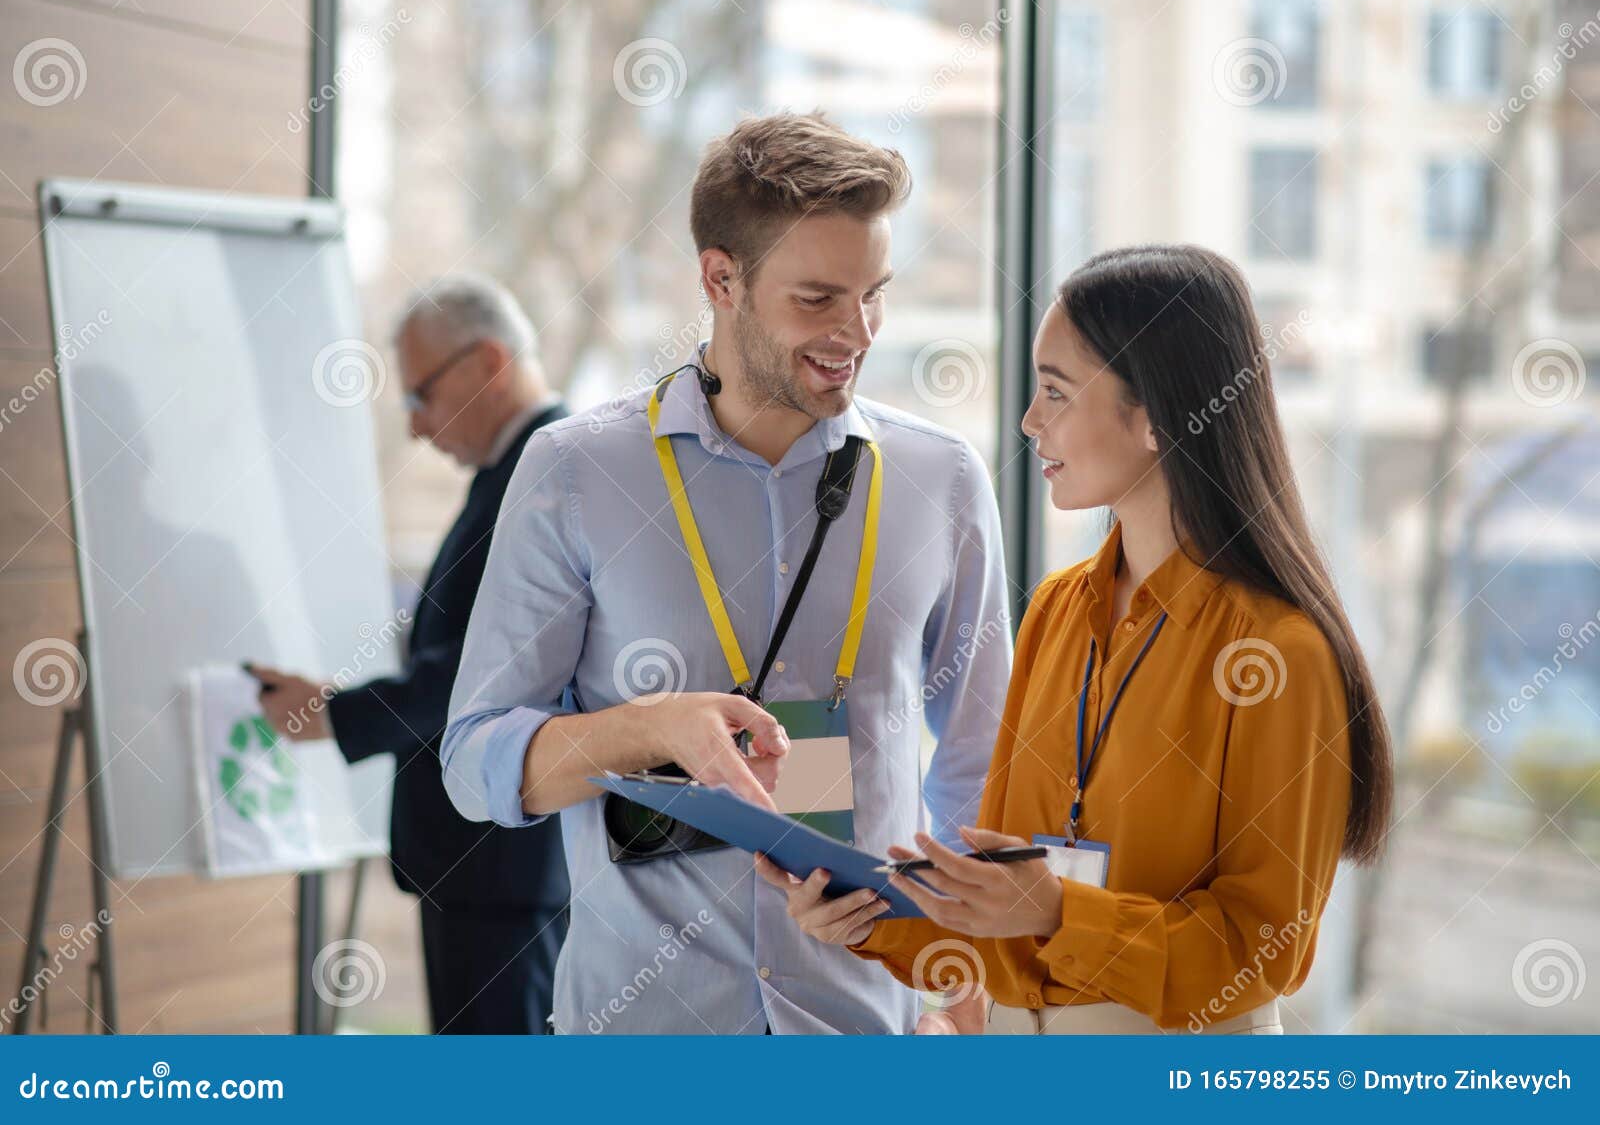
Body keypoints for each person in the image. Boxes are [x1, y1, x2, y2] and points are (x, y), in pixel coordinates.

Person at [440, 113, 1012, 1034]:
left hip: (869, 1031)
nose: (856, 333)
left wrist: (964, 975)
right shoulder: (578, 469)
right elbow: (474, 763)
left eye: (875, 295)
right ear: (721, 280)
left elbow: (982, 776)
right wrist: (647, 729)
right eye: (818, 298)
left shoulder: (941, 479)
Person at [764, 243, 1395, 1035]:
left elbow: (1263, 950)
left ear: (1156, 416)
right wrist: (868, 914)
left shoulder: (1279, 653)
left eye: (1056, 392)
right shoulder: (1059, 611)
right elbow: (1004, 913)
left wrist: (1063, 912)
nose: (1031, 420)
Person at [251, 274, 571, 1034]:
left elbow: (481, 670)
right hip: (481, 866)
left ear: (488, 359)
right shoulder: (510, 474)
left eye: (420, 394)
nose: (420, 427)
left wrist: (338, 714)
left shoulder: (543, 473)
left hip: (502, 866)